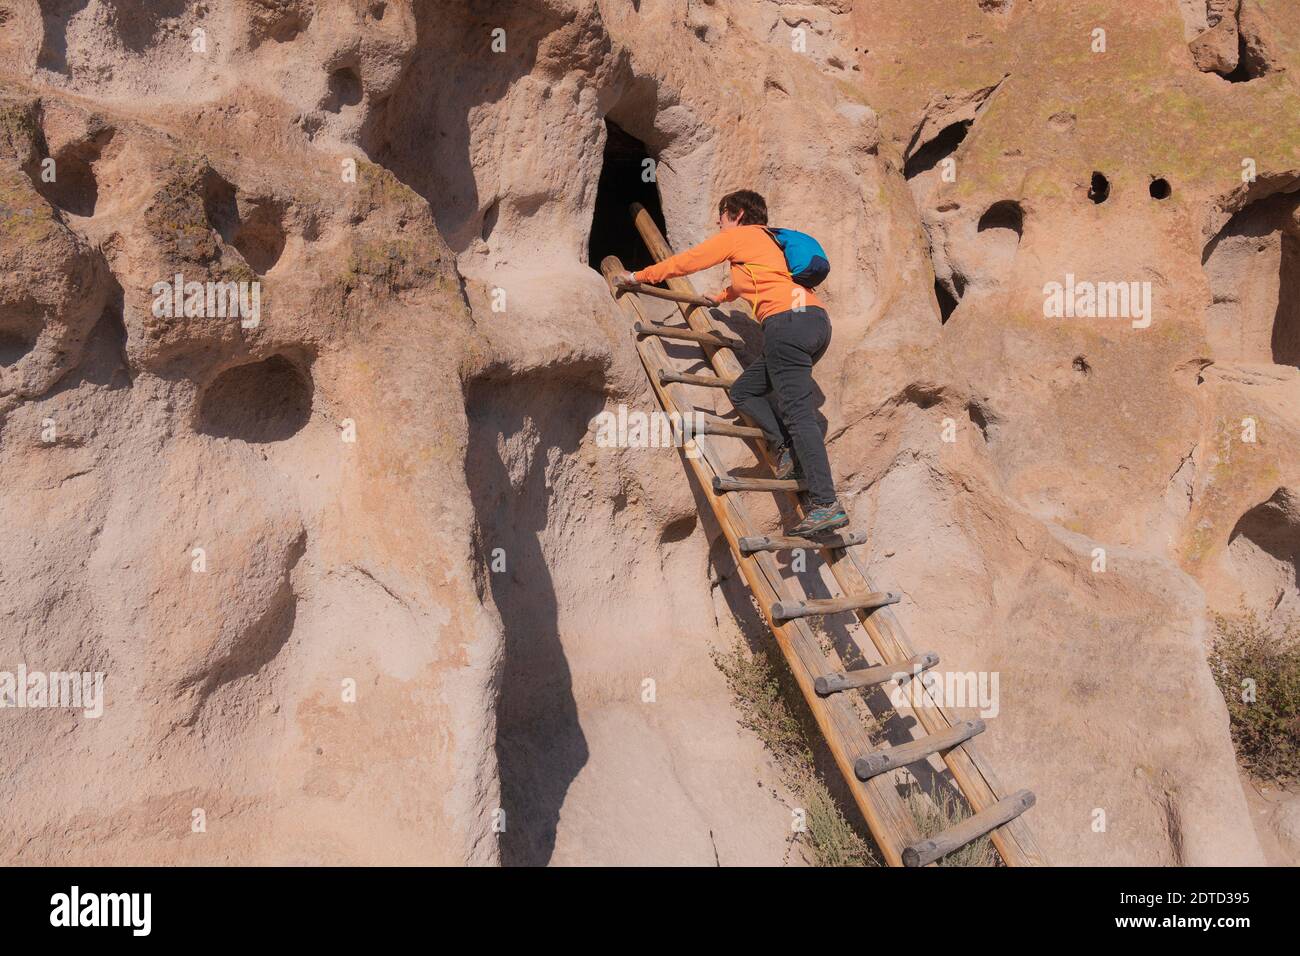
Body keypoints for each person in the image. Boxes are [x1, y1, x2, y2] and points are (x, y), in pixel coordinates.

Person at [613, 190, 847, 536]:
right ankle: (785, 451)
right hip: (812, 322)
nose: (718, 222)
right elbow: (755, 280)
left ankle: (826, 504)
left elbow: (687, 261)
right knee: (744, 391)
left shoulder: (739, 236)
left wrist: (637, 276)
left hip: (787, 325)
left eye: (721, 215)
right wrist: (722, 296)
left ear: (736, 214)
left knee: (798, 414)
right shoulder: (769, 241)